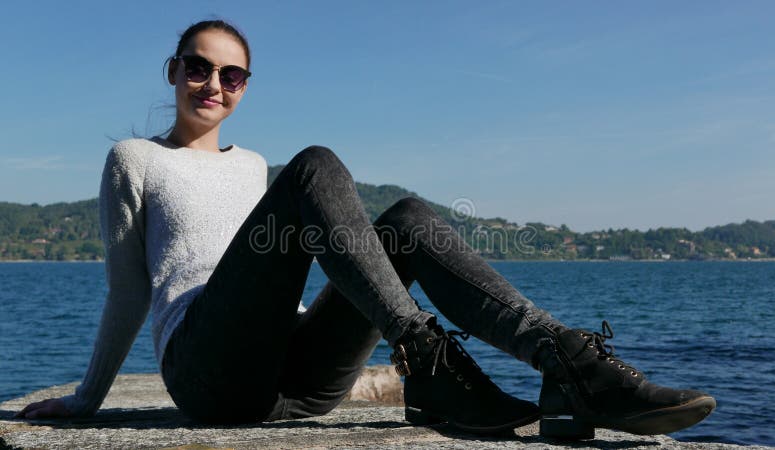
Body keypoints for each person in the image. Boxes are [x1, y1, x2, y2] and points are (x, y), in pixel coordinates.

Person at [15, 19, 715, 439]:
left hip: (300, 381)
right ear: (173, 71)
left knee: (406, 217)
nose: (213, 84)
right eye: (198, 67)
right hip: (209, 374)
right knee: (315, 165)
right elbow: (129, 293)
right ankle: (430, 363)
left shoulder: (253, 166)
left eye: (231, 75)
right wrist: (88, 400)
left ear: (245, 88)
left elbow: (285, 272)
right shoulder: (134, 160)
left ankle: (570, 366)